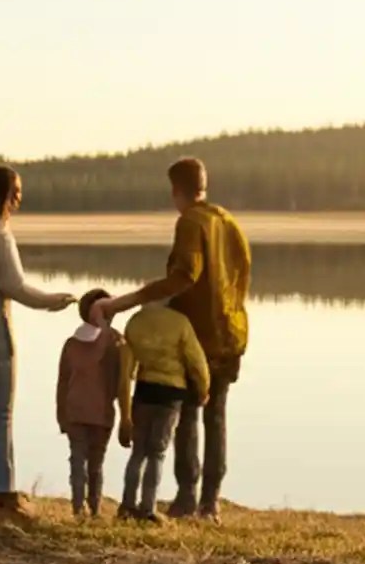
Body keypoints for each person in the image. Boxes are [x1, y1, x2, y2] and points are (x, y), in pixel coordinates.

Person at [91, 157, 250, 523]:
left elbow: (185, 276)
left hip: (198, 337)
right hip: (232, 333)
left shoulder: (191, 222)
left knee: (189, 414)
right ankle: (211, 502)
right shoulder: (227, 221)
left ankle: (187, 498)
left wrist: (127, 301)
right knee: (216, 416)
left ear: (176, 190)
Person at [0, 166, 76, 522]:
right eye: (15, 192)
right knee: (1, 413)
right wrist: (54, 301)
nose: (19, 199)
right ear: (1, 196)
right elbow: (15, 287)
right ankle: (3, 494)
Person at [115, 301, 211, 523]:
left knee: (138, 452)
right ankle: (148, 508)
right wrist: (203, 388)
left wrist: (125, 414)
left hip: (144, 390)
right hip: (171, 394)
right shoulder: (180, 323)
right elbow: (196, 361)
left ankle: (127, 505)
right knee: (157, 453)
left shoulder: (136, 322)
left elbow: (126, 372)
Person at [56, 289, 123, 518]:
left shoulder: (71, 343)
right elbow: (122, 379)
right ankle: (93, 508)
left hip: (74, 410)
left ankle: (78, 507)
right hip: (102, 412)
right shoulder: (114, 341)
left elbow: (63, 382)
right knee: (96, 464)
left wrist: (61, 414)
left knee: (77, 460)